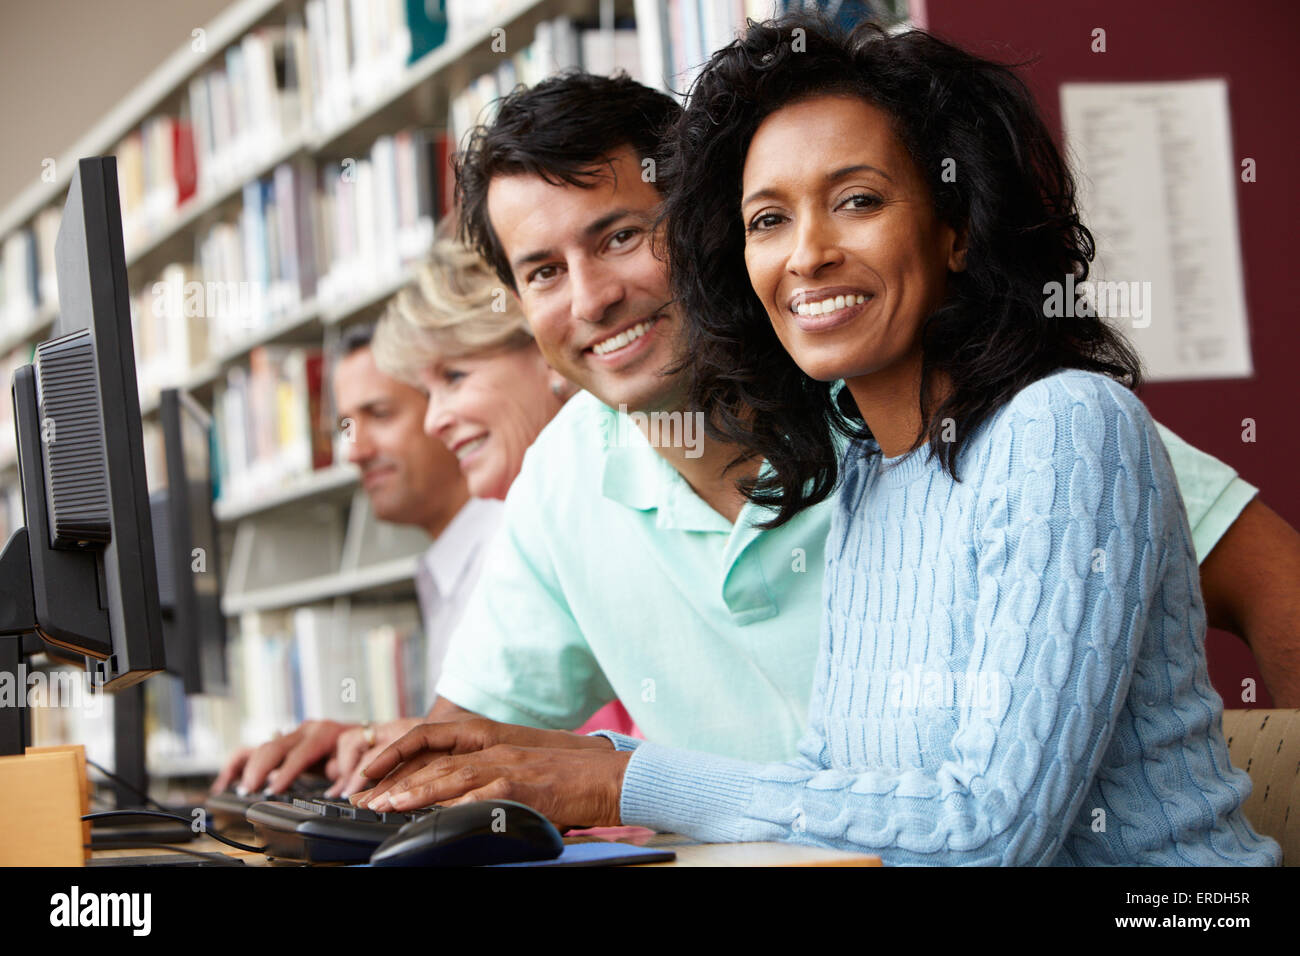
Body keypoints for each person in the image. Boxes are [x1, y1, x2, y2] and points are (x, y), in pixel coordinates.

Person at [349, 67, 1300, 828]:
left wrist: (616, 785)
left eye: (625, 236)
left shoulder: (1039, 423)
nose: (592, 297)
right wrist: (479, 772)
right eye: (771, 219)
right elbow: (828, 778)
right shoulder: (872, 461)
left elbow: (990, 825)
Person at [324, 239, 639, 797]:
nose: (435, 420)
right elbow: (473, 725)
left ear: (547, 350)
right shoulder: (547, 515)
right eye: (426, 390)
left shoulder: (604, 491)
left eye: (454, 378)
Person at [211, 325, 494, 796]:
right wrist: (356, 744)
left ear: (448, 409)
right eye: (345, 425)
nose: (354, 451)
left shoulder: (507, 554)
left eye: (379, 415)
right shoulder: (445, 565)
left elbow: (522, 756)